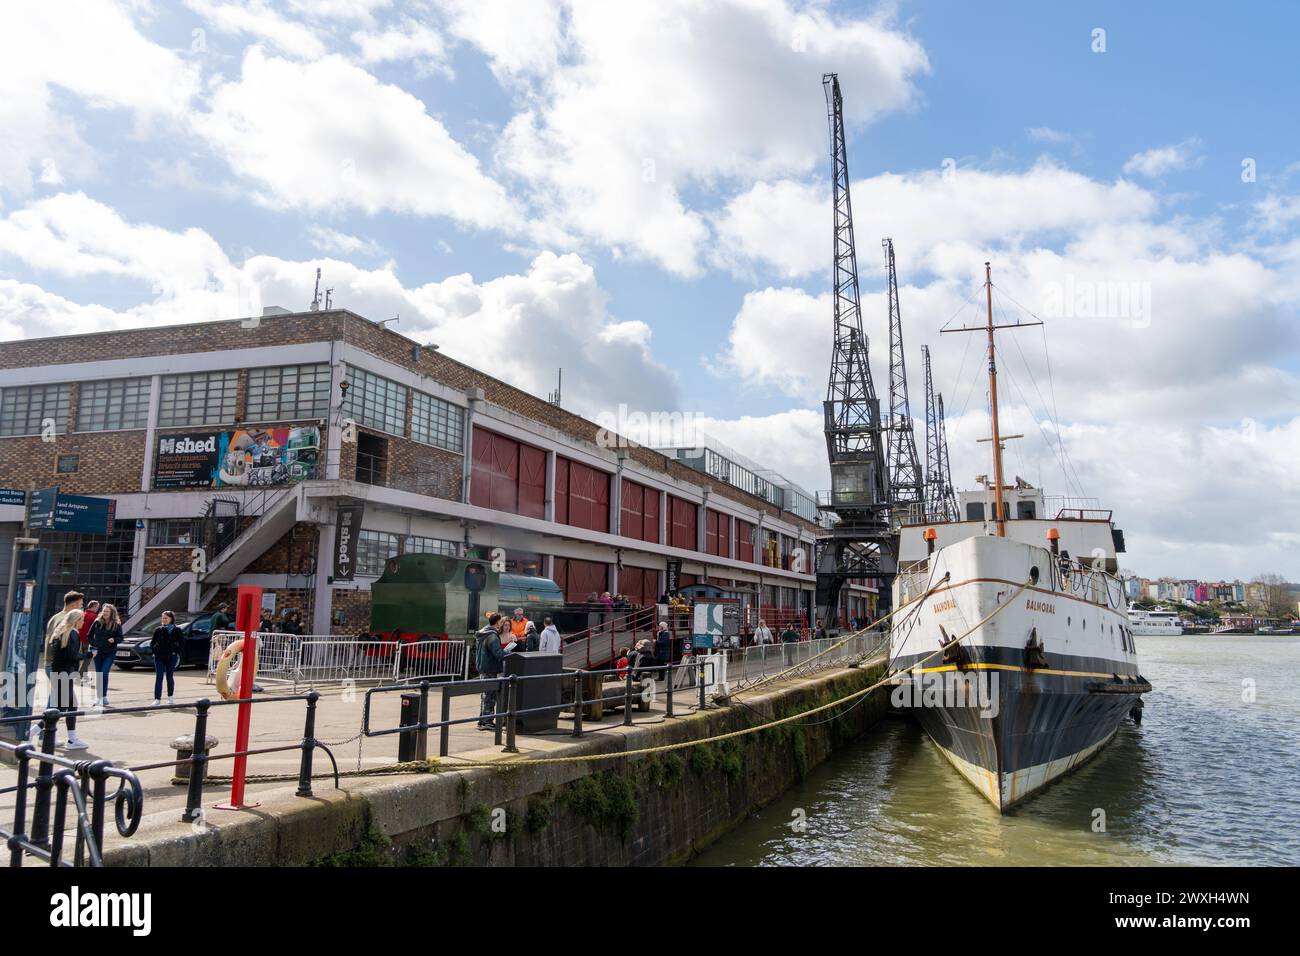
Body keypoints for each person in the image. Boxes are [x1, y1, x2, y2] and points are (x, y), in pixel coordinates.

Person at [44, 609, 88, 750]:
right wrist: (88, 655)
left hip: (59, 671)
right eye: (82, 620)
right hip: (66, 673)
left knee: (70, 706)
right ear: (76, 621)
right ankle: (32, 732)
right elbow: (73, 656)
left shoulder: (60, 631)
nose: (83, 622)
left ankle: (72, 739)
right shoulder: (73, 633)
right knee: (61, 708)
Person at [476, 614, 515, 729]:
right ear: (497, 622)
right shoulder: (492, 635)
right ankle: (488, 721)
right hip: (490, 668)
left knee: (485, 695)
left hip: (484, 667)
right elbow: (498, 653)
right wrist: (509, 653)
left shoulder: (483, 632)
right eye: (500, 622)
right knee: (490, 695)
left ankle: (482, 721)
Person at [87, 603, 122, 708]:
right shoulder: (97, 622)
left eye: (107, 611)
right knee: (99, 674)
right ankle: (101, 697)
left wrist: (114, 640)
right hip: (97, 652)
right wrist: (94, 644)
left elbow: (120, 637)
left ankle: (101, 698)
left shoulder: (116, 624)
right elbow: (89, 635)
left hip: (109, 653)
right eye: (104, 611)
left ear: (112, 613)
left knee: (104, 673)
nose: (105, 613)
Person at [151, 610, 183, 706]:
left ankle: (170, 697)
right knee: (159, 677)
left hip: (171, 656)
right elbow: (152, 642)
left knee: (169, 677)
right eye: (163, 618)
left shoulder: (177, 630)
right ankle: (157, 699)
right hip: (159, 656)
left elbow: (182, 643)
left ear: (171, 619)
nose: (164, 620)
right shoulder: (158, 629)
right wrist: (155, 651)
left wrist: (175, 651)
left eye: (166, 618)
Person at [77, 600, 99, 684]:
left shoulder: (83, 614)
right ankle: (80, 674)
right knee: (88, 658)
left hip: (80, 639)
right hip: (88, 640)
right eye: (97, 607)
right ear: (93, 607)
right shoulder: (94, 616)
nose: (97, 609)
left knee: (84, 657)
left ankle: (84, 676)